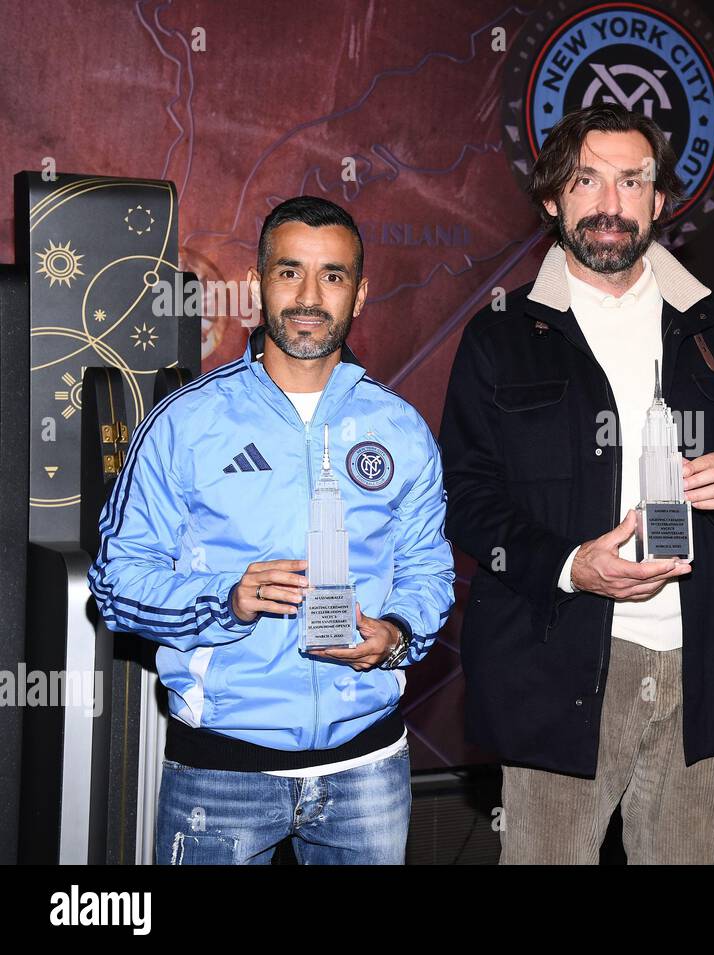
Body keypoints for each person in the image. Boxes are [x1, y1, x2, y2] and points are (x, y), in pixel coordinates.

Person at [440, 104, 714, 864]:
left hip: (701, 662)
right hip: (560, 661)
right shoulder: (500, 336)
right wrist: (571, 566)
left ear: (660, 201)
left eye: (632, 181)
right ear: (551, 200)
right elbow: (468, 499)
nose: (609, 203)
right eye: (586, 180)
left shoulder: (711, 325)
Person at [89, 195, 456, 864]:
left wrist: (397, 633)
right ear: (256, 285)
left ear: (361, 293)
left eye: (333, 275)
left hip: (367, 768)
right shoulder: (185, 424)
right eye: (290, 272)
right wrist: (224, 599)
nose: (310, 295)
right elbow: (114, 586)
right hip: (221, 773)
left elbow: (428, 570)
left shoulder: (400, 429)